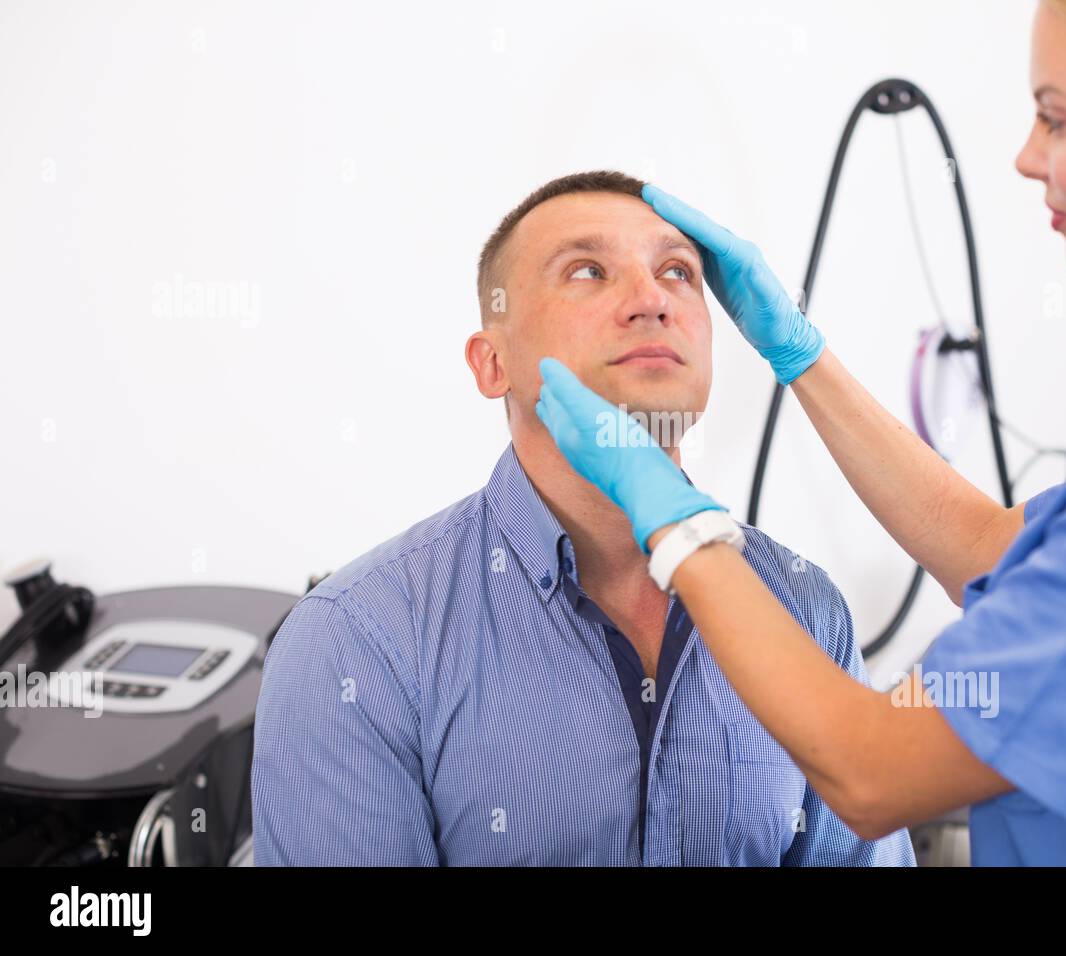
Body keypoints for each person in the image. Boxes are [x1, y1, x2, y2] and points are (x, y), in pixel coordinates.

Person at [533, 0, 1066, 865]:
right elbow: (986, 546)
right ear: (490, 358)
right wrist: (801, 356)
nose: (1025, 154)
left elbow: (871, 771)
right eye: (590, 272)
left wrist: (676, 523)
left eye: (1056, 116)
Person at [251, 170, 914, 866]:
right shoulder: (356, 642)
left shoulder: (807, 611)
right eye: (589, 270)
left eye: (678, 272)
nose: (652, 299)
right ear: (492, 363)